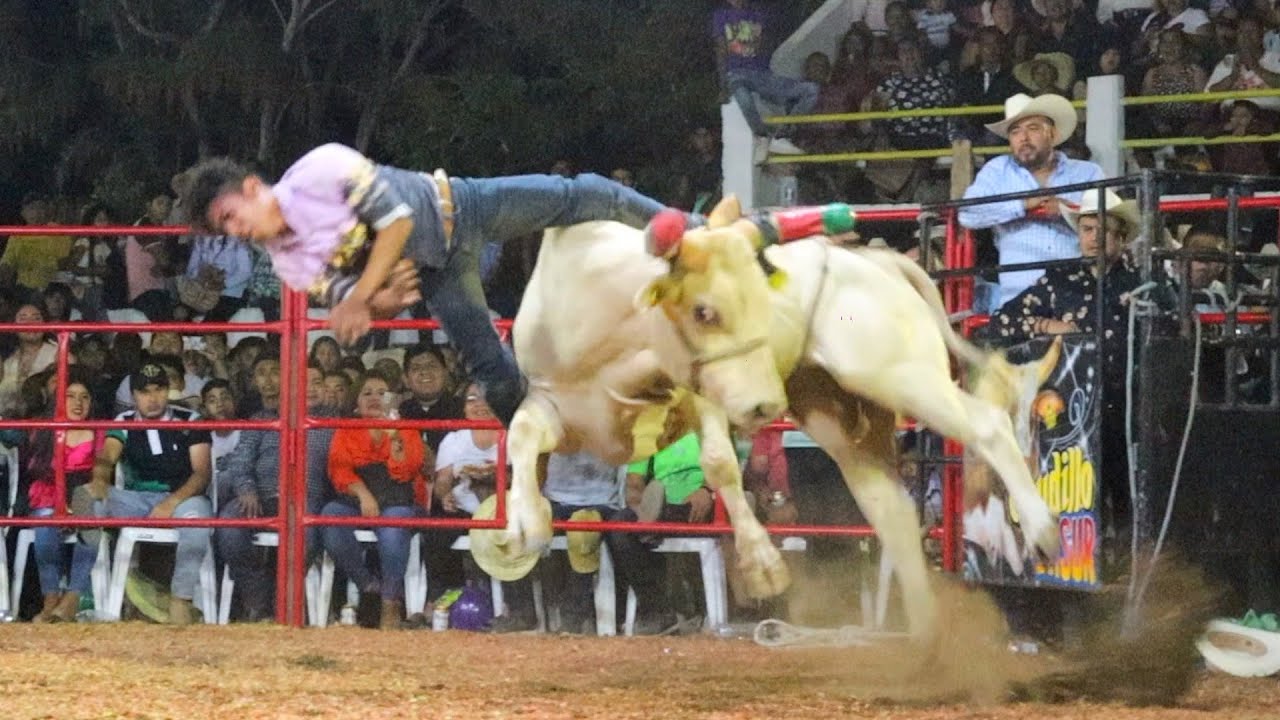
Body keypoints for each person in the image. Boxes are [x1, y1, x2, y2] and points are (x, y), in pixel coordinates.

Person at [181, 144, 694, 428]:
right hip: (436, 270)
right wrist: (377, 301)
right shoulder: (286, 261)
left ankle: (691, 229)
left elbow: (397, 221)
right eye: (224, 229)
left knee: (577, 194)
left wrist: (364, 294)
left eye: (230, 216)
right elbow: (361, 308)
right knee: (489, 369)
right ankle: (537, 450)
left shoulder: (319, 169)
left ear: (253, 189)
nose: (235, 230)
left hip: (460, 207)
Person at [85, 361, 214, 625]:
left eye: (158, 390)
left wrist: (172, 502)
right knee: (90, 501)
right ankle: (89, 594)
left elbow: (201, 473)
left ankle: (181, 599)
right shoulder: (124, 421)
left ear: (168, 391)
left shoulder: (190, 421)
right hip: (136, 500)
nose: (152, 398)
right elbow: (107, 456)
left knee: (199, 523)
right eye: (145, 392)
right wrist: (98, 480)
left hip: (183, 499)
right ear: (134, 396)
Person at [958, 93, 1105, 310]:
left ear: (1052, 134)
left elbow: (1110, 222)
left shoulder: (1087, 172)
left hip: (1077, 292)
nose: (1023, 138)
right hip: (1019, 296)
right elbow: (968, 214)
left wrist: (1068, 212)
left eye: (1033, 128)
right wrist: (1023, 205)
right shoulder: (997, 170)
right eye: (1015, 131)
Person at [321, 372, 429, 629]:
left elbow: (405, 470)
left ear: (393, 400)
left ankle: (390, 601)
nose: (374, 398)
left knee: (393, 524)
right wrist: (363, 494)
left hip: (399, 499)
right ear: (356, 402)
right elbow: (339, 471)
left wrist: (394, 436)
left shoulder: (406, 429)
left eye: (382, 393)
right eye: (367, 393)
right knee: (330, 516)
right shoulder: (346, 430)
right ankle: (369, 587)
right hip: (358, 498)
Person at [23, 367, 103, 622]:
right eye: (70, 396)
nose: (78, 403)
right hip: (48, 492)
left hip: (83, 494)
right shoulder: (43, 429)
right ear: (59, 398)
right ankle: (51, 597)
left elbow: (102, 475)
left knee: (92, 521)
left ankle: (73, 596)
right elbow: (35, 469)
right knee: (46, 522)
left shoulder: (100, 431)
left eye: (84, 397)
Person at [712, 0, 816, 159]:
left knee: (811, 90)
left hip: (762, 74)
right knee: (742, 97)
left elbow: (764, 46)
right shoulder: (721, 15)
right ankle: (762, 137)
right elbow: (720, 50)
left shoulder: (758, 13)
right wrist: (722, 86)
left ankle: (782, 136)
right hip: (737, 73)